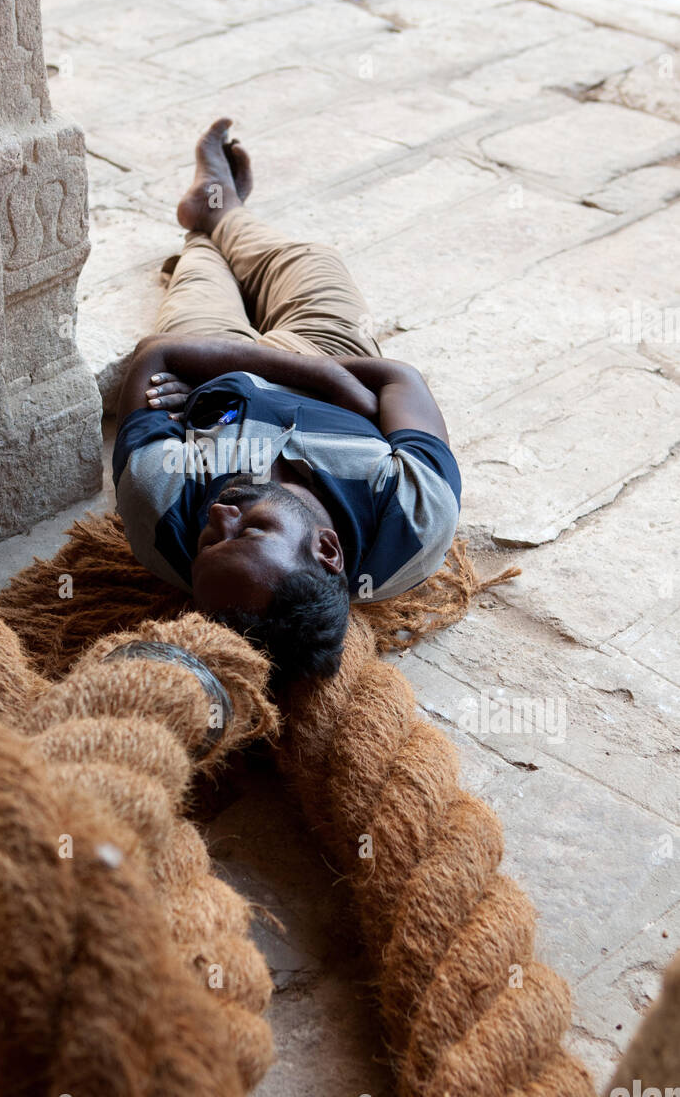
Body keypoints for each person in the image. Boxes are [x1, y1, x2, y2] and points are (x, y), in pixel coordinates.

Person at [114, 118, 461, 684]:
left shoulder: (161, 516)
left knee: (202, 275)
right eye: (250, 529)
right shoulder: (415, 517)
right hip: (333, 354)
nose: (221, 514)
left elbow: (153, 357)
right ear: (327, 550)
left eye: (210, 539)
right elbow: (400, 378)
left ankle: (206, 226)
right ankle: (218, 214)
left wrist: (332, 389)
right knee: (314, 260)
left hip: (212, 368)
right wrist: (327, 373)